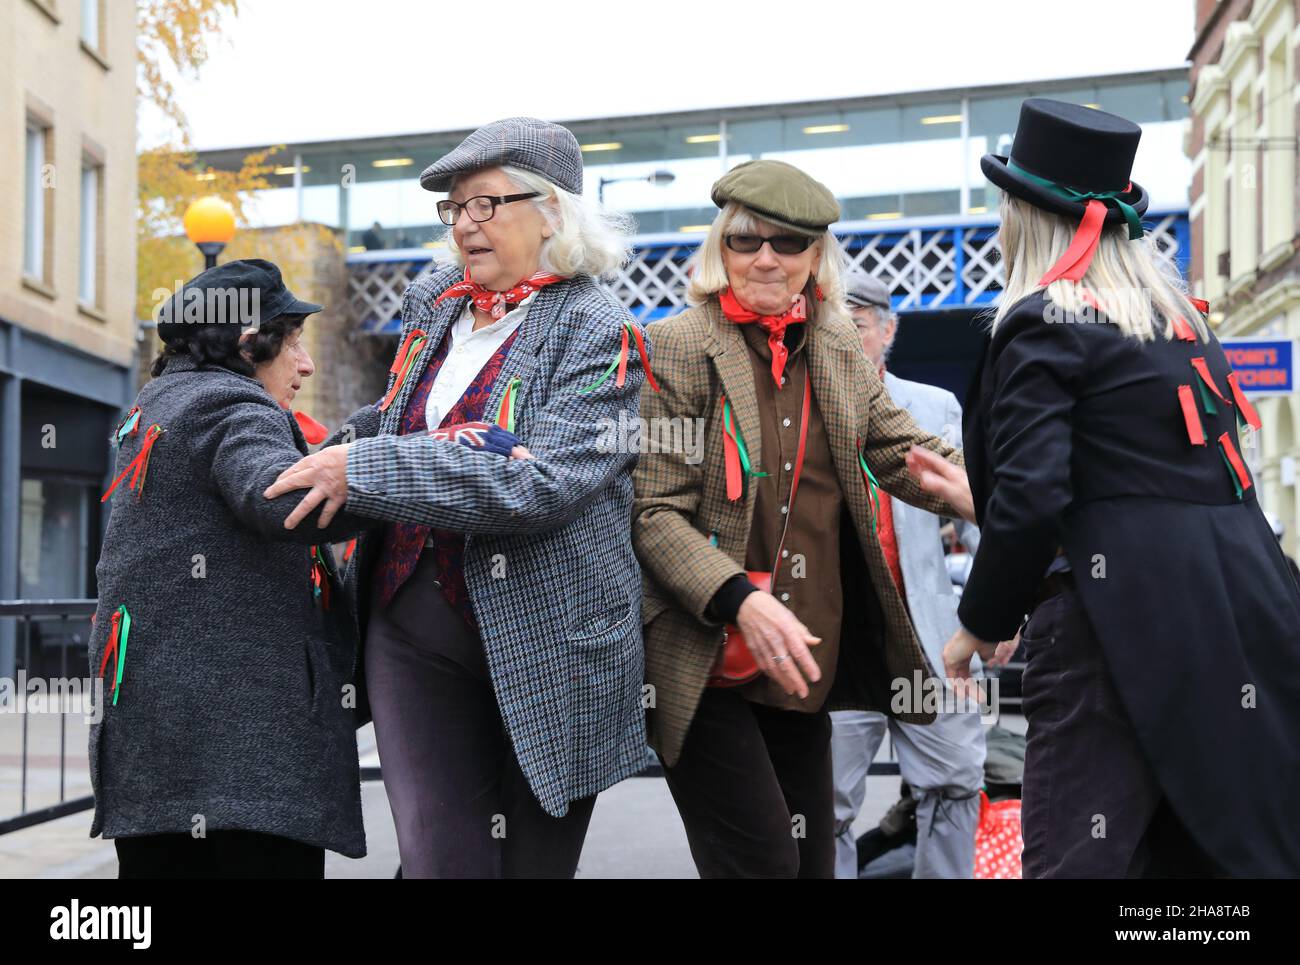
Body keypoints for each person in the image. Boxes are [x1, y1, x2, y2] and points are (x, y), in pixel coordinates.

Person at [913, 98, 1300, 877]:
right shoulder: (1183, 323)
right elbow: (1152, 483)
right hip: (1250, 611)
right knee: (1207, 856)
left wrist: (977, 625)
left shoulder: (1044, 320)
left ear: (1024, 215)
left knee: (1078, 859)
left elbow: (1032, 500)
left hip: (1110, 626)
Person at [264, 117, 650, 878]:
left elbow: (543, 483)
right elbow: (396, 415)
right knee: (446, 861)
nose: (466, 223)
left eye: (486, 204)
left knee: (531, 868)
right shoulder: (438, 300)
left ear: (552, 212)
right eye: (456, 208)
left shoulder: (600, 329)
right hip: (412, 624)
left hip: (555, 636)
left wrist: (367, 469)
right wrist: (315, 460)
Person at [632, 159, 973, 879]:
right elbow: (655, 511)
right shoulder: (679, 345)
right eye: (746, 239)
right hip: (706, 657)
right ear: (720, 249)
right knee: (764, 866)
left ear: (816, 257)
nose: (765, 257)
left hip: (803, 661)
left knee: (812, 866)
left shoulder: (836, 341)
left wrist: (988, 494)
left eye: (788, 242)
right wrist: (740, 599)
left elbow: (896, 447)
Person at [90, 259, 368, 878]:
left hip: (164, 756)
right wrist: (400, 469)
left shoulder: (162, 400)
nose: (306, 364)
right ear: (248, 341)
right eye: (293, 341)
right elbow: (289, 499)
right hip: (240, 773)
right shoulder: (227, 404)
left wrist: (364, 434)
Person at [830, 270, 987, 879]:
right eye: (834, 326)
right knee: (826, 804)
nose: (846, 337)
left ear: (889, 331)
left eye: (859, 325)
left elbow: (978, 517)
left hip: (930, 638)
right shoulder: (805, 408)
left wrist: (996, 610)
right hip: (840, 641)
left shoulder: (933, 407)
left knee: (953, 783)